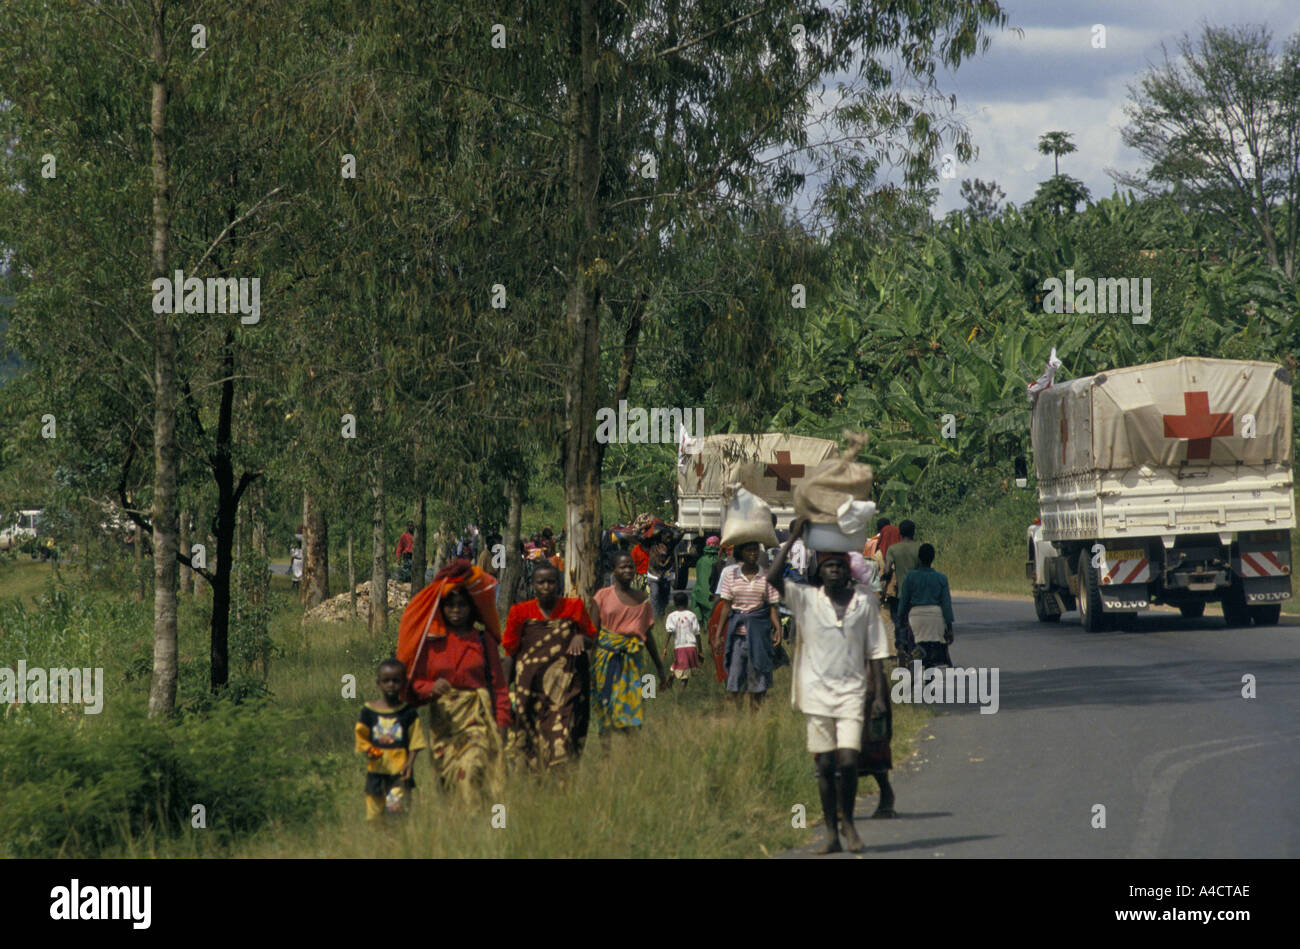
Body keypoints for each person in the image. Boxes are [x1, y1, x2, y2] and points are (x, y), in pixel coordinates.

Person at [767, 519, 891, 854]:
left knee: (849, 761)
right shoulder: (807, 600)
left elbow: (876, 654)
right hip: (816, 694)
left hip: (852, 692)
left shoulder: (865, 605)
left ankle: (848, 822)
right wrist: (793, 536)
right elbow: (772, 578)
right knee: (824, 766)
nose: (834, 571)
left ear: (848, 571)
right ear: (820, 572)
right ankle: (833, 833)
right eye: (828, 566)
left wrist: (879, 696)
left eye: (839, 565)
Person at [396, 562, 510, 804]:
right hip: (443, 722)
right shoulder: (432, 642)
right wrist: (430, 688)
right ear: (442, 607)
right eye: (450, 604)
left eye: (462, 604)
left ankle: (474, 823)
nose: (456, 610)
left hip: (477, 719)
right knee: (448, 781)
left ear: (472, 607)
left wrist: (502, 724)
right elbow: (413, 683)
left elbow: (499, 686)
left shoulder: (483, 640)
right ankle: (462, 831)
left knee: (470, 768)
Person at [501, 563, 596, 770]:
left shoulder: (574, 608)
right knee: (530, 737)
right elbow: (511, 653)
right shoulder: (520, 612)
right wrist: (502, 691)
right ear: (533, 585)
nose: (546, 586)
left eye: (551, 582)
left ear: (558, 584)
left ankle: (560, 787)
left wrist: (580, 637)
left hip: (565, 688)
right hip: (530, 689)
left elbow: (591, 638)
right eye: (541, 582)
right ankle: (536, 787)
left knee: (562, 735)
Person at [592, 552, 668, 733]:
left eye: (630, 566)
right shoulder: (602, 596)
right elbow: (592, 633)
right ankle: (606, 752)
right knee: (606, 708)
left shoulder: (643, 600)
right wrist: (587, 666)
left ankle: (630, 750)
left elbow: (647, 637)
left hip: (632, 662)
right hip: (606, 660)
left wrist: (659, 668)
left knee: (633, 709)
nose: (627, 570)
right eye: (622, 566)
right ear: (613, 570)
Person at [356, 658, 427, 820]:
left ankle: (394, 841)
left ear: (403, 683)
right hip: (376, 771)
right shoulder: (369, 711)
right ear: (378, 683)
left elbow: (416, 740)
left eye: (396, 681)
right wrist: (368, 750)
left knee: (396, 813)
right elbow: (361, 735)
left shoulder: (408, 712)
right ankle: (378, 840)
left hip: (399, 773)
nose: (391, 685)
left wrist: (410, 763)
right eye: (386, 681)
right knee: (374, 814)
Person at [715, 541, 782, 707]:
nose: (753, 553)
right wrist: (718, 635)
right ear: (741, 553)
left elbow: (772, 607)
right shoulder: (731, 576)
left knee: (758, 681)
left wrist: (778, 628)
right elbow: (726, 606)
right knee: (734, 679)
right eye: (749, 550)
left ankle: (754, 718)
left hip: (759, 636)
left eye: (755, 550)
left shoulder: (767, 576)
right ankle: (736, 716)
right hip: (737, 637)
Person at [897, 543, 954, 669]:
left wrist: (900, 619)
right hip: (936, 619)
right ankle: (930, 682)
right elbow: (946, 605)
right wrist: (949, 628)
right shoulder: (941, 578)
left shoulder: (911, 577)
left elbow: (904, 600)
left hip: (915, 619)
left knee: (915, 653)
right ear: (932, 558)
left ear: (919, 558)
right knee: (934, 655)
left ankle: (915, 676)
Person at [882, 520, 919, 659]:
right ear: (913, 532)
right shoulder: (919, 548)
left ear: (900, 533)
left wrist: (886, 577)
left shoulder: (893, 549)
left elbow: (886, 569)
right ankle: (914, 649)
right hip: (917, 594)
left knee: (899, 621)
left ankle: (902, 647)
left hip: (900, 594)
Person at [663, 591, 702, 691]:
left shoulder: (672, 616)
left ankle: (671, 679)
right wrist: (700, 650)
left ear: (675, 603)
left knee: (681, 666)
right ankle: (681, 694)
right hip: (691, 647)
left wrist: (665, 647)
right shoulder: (691, 615)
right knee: (685, 673)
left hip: (679, 647)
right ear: (686, 602)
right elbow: (697, 633)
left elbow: (669, 632)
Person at [691, 536, 720, 625]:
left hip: (702, 593)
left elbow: (700, 579)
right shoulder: (722, 559)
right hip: (717, 594)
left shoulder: (701, 561)